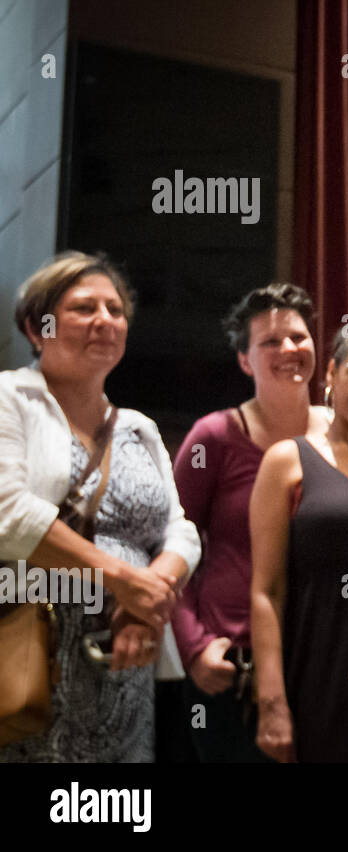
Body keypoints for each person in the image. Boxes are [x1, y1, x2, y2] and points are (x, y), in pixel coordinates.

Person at [0, 252, 200, 762]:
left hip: (125, 657)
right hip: (27, 656)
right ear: (36, 325)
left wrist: (146, 604)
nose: (105, 321)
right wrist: (124, 582)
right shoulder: (9, 398)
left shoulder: (139, 427)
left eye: (115, 310)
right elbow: (9, 515)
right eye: (84, 308)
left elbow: (181, 532)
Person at [171, 283, 330, 761]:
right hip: (234, 667)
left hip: (324, 662)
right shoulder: (214, 437)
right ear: (245, 361)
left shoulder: (344, 434)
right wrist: (193, 646)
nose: (290, 350)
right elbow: (170, 542)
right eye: (270, 342)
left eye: (299, 338)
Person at [249, 318, 348, 762]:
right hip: (318, 677)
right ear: (331, 376)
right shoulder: (288, 460)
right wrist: (272, 703)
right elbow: (266, 592)